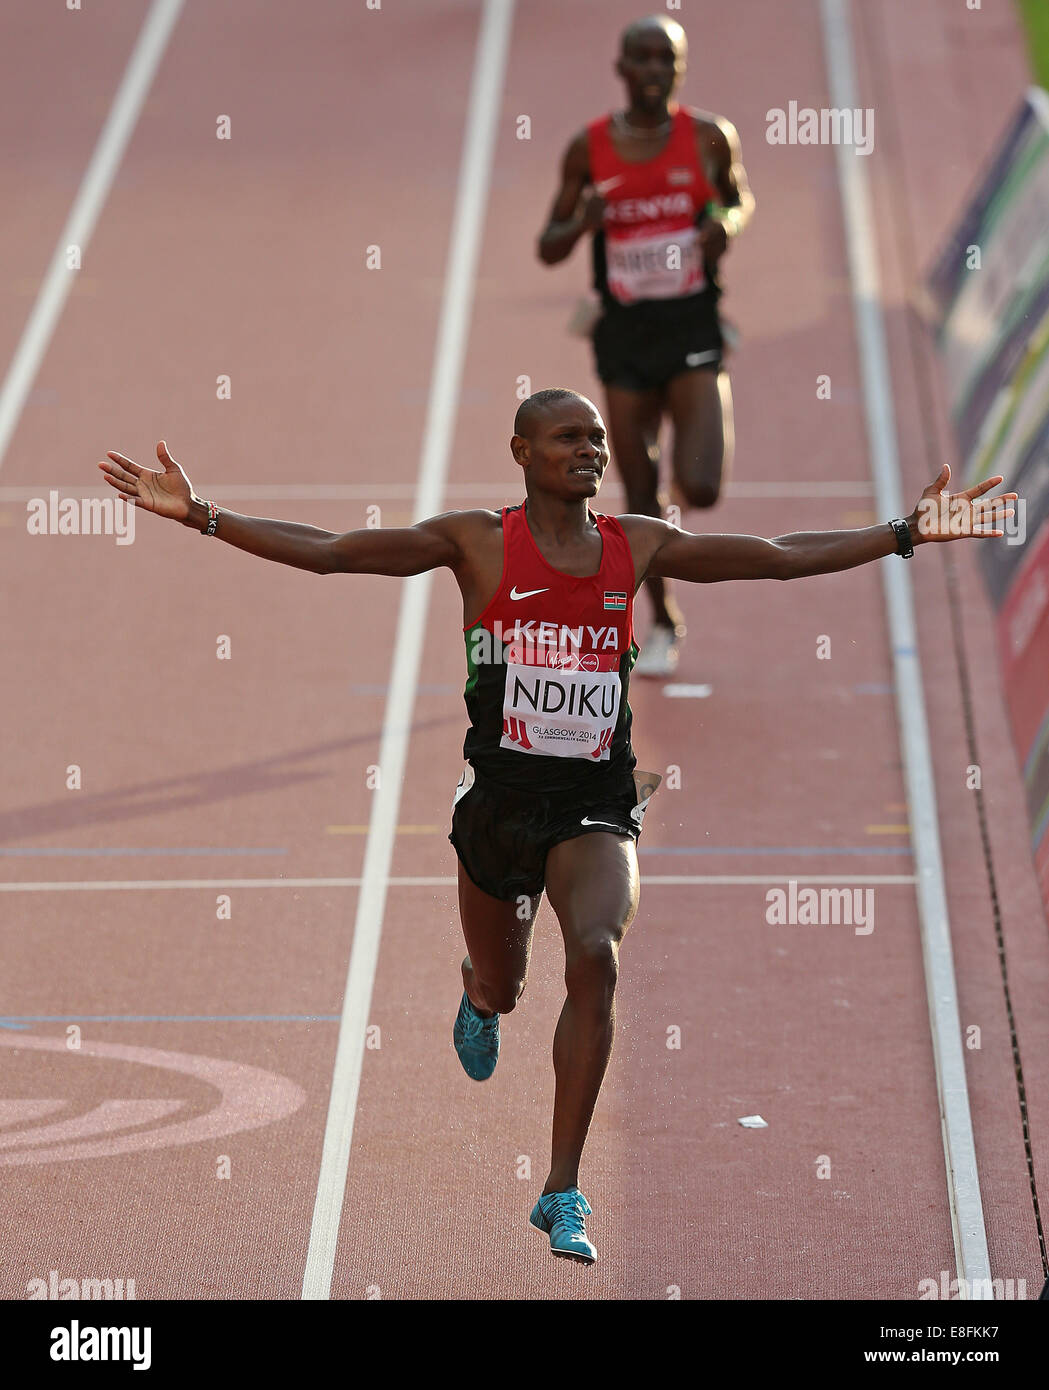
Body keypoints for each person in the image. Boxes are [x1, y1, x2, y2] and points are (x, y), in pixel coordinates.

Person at [99, 388, 1014, 1266]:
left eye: (595, 439)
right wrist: (202, 515)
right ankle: (479, 987)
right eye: (568, 437)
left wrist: (902, 534)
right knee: (506, 986)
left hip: (593, 801)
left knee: (598, 953)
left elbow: (773, 554)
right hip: (497, 808)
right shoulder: (476, 544)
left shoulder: (638, 545)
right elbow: (334, 551)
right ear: (521, 454)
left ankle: (561, 1186)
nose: (590, 449)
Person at [538, 14, 754, 677]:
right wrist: (583, 222)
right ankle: (661, 619)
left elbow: (739, 199)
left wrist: (723, 223)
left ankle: (698, 406)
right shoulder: (588, 149)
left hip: (690, 323)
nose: (656, 69)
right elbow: (548, 247)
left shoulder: (708, 137)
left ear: (679, 69)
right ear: (622, 68)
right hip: (625, 335)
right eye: (644, 57)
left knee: (700, 486)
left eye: (669, 58)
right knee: (635, 490)